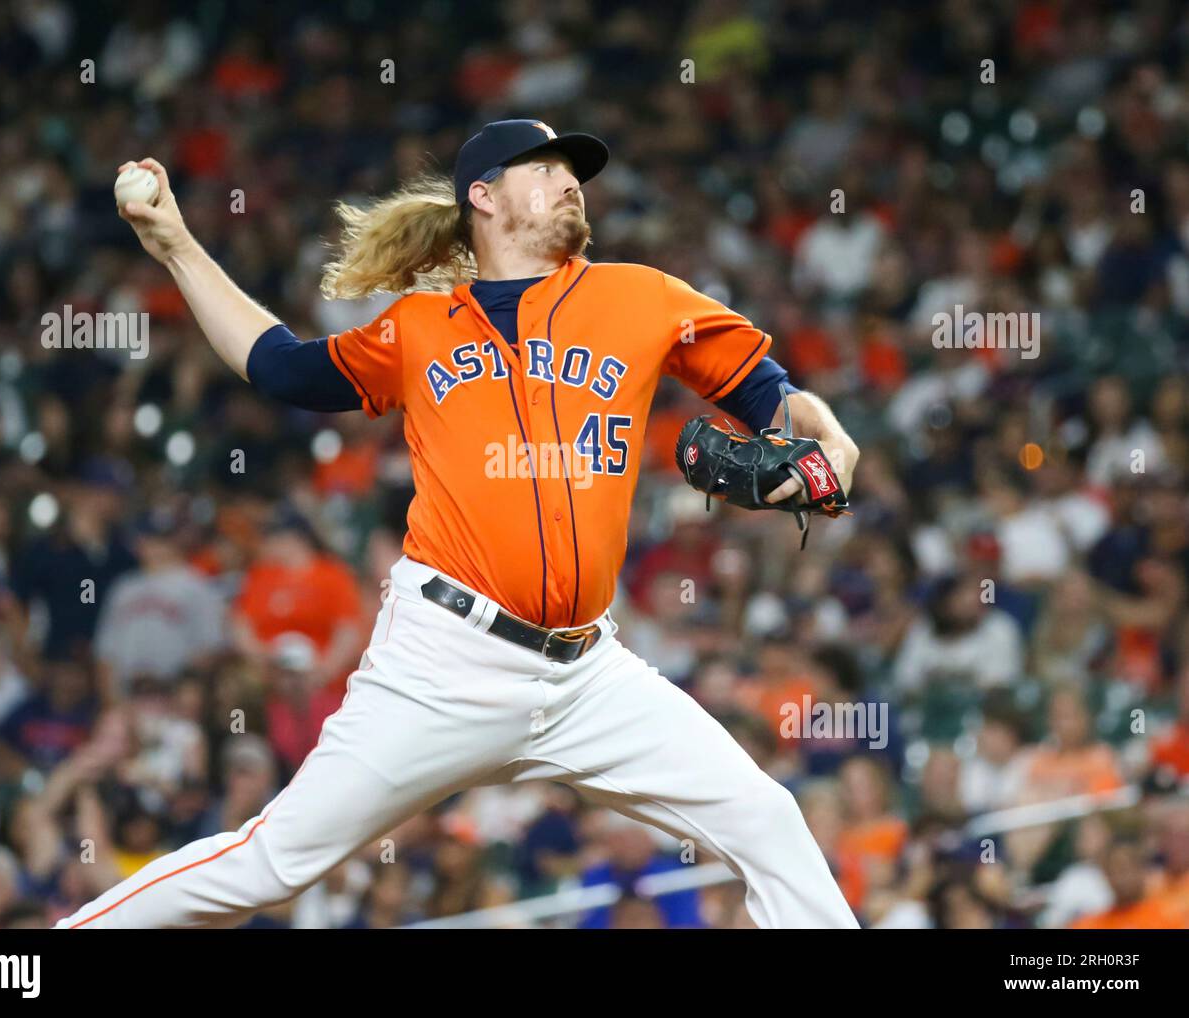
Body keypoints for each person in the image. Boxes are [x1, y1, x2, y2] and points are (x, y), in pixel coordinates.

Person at [56, 119, 860, 929]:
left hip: (588, 675)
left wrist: (830, 440)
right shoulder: (418, 329)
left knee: (766, 820)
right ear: (483, 195)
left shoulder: (641, 297)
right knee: (271, 866)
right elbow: (279, 367)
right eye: (544, 169)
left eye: (574, 172)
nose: (570, 182)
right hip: (444, 662)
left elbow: (774, 398)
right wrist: (177, 247)